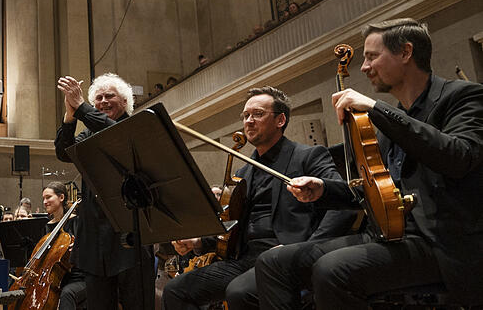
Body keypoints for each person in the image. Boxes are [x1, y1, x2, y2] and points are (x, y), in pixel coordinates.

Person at [253, 18, 483, 309]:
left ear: (405, 53)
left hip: (441, 241)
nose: (363, 67)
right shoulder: (392, 123)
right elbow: (374, 191)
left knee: (331, 270)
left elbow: (459, 157)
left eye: (372, 56)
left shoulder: (463, 97)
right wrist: (323, 189)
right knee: (274, 262)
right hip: (389, 236)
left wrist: (377, 109)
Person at [162, 87, 353, 310]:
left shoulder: (308, 156)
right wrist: (199, 242)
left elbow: (344, 204)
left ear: (280, 120)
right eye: (245, 116)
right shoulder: (243, 174)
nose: (249, 121)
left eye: (258, 114)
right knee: (175, 290)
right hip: (245, 259)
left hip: (287, 255)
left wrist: (306, 250)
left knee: (240, 292)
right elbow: (234, 229)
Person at [55, 73, 155, 310]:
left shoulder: (131, 127)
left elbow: (113, 135)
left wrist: (82, 106)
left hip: (130, 235)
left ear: (125, 102)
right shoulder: (89, 134)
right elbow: (63, 152)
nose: (103, 101)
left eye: (110, 96)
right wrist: (70, 116)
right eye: (98, 98)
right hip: (94, 239)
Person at [42, 181, 86, 310]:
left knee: (67, 294)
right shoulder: (47, 226)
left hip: (79, 278)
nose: (45, 202)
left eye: (48, 197)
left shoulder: (76, 222)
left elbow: (85, 251)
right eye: (43, 198)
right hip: (56, 279)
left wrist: (78, 249)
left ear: (61, 197)